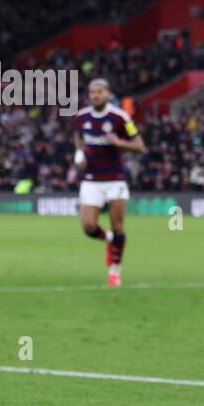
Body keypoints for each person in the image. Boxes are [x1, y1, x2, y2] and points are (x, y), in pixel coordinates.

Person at [74, 79, 146, 287]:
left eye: (100, 92)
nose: (95, 95)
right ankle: (108, 239)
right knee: (88, 226)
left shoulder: (120, 117)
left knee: (118, 225)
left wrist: (119, 142)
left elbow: (140, 146)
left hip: (115, 180)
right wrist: (79, 153)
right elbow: (78, 137)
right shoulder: (81, 117)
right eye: (92, 92)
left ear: (108, 94)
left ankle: (115, 270)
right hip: (91, 179)